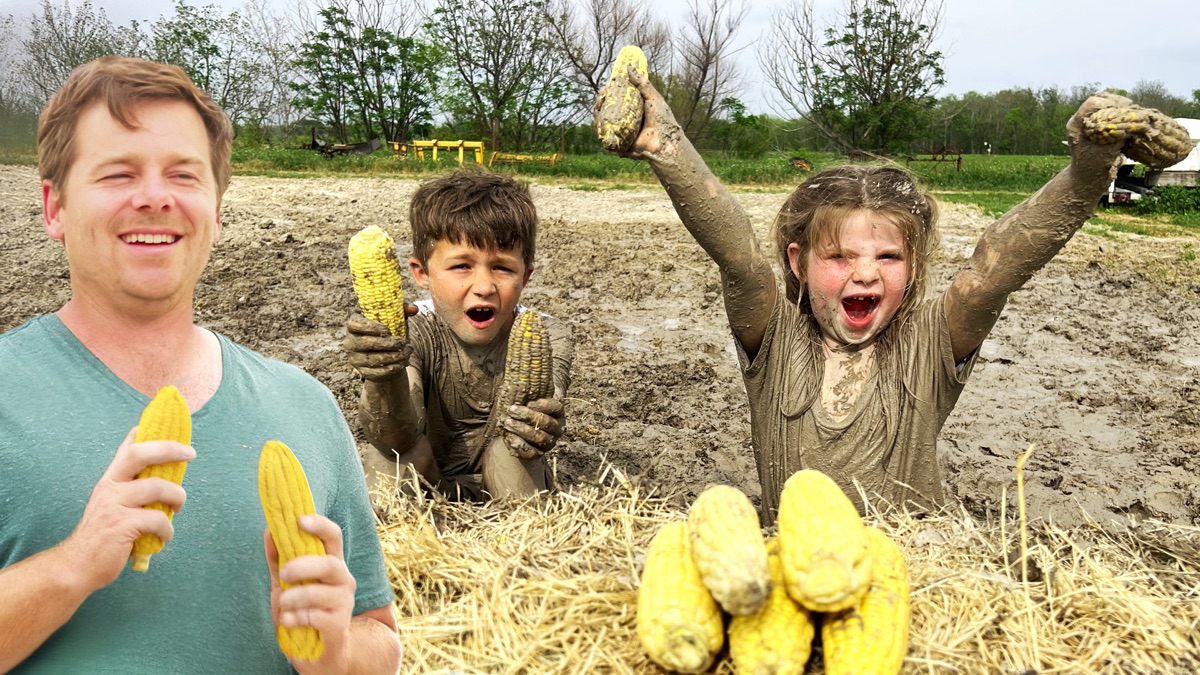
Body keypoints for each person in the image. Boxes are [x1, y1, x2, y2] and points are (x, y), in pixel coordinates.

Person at [597, 72, 1193, 520]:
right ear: (798, 264)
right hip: (804, 572)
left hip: (922, 573)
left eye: (888, 257)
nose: (866, 276)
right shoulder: (775, 342)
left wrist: (1087, 170)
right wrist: (665, 145)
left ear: (914, 266)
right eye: (840, 257)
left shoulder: (928, 344)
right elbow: (738, 256)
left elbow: (995, 268)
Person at [0, 56, 402, 673]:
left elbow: (380, 642)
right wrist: (73, 563)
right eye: (118, 173)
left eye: (184, 175)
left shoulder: (305, 407)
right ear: (54, 207)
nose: (156, 197)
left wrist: (337, 650)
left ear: (216, 209)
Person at [343, 170, 575, 503]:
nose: (483, 287)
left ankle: (526, 547)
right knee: (389, 459)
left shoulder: (549, 333)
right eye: (461, 266)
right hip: (427, 479)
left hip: (510, 483)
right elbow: (395, 437)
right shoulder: (414, 330)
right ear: (422, 274)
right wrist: (384, 377)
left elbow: (544, 411)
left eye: (502, 268)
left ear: (525, 277)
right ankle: (394, 549)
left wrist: (542, 423)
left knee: (506, 455)